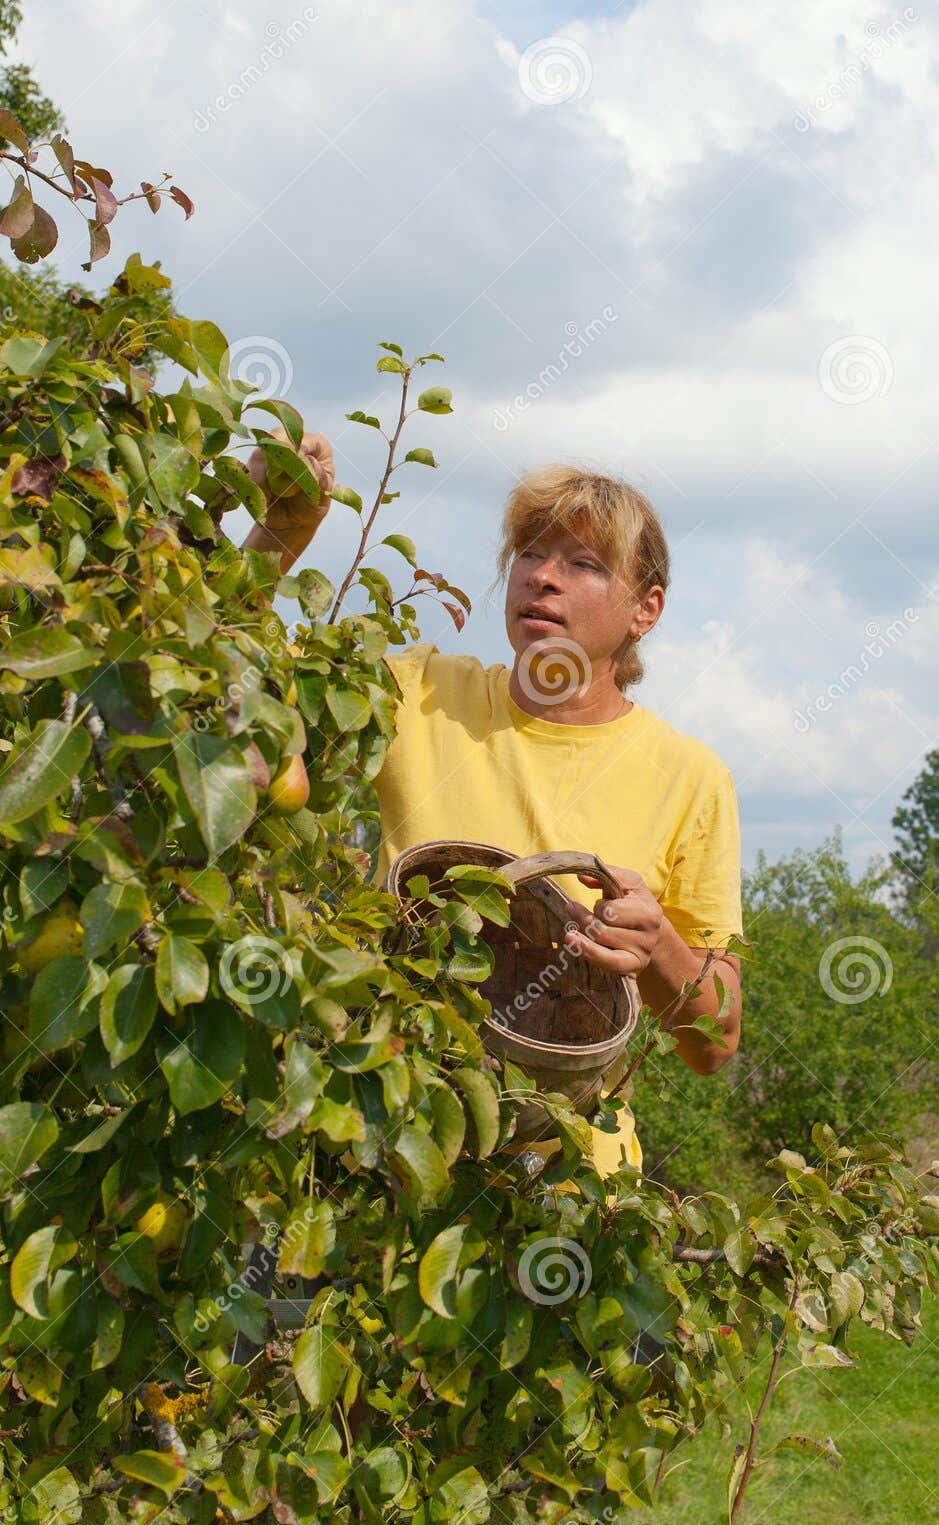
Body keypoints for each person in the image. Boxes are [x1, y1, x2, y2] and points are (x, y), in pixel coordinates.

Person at [242, 431, 743, 1180]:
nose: (542, 578)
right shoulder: (418, 692)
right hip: (387, 1149)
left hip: (572, 1184)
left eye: (582, 564)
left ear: (646, 609)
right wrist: (275, 533)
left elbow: (713, 1042)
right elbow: (231, 703)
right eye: (529, 555)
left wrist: (659, 949)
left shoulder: (690, 777)